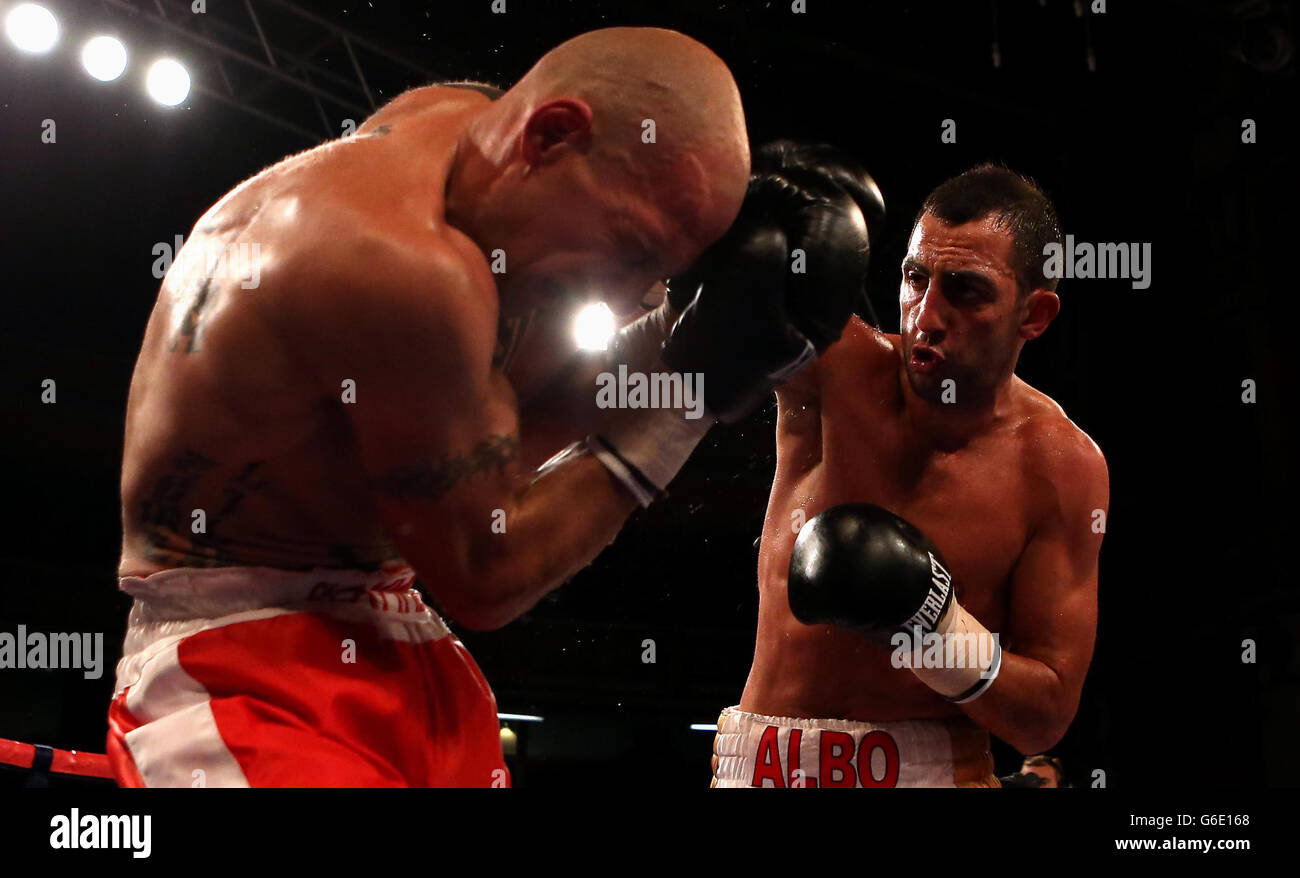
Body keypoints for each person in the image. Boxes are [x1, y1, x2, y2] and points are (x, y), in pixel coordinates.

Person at [108, 25, 879, 787]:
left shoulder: (479, 151)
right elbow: (487, 573)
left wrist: (688, 337)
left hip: (394, 631)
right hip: (239, 660)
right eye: (628, 250)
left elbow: (508, 416)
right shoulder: (399, 267)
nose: (622, 295)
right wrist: (687, 398)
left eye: (657, 272)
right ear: (549, 135)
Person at [714, 165, 1108, 788]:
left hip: (929, 773)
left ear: (1035, 315)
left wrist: (934, 632)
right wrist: (744, 205)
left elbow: (1045, 717)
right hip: (764, 765)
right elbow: (706, 278)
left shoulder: (1058, 466)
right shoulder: (837, 366)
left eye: (966, 291)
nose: (926, 317)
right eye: (915, 278)